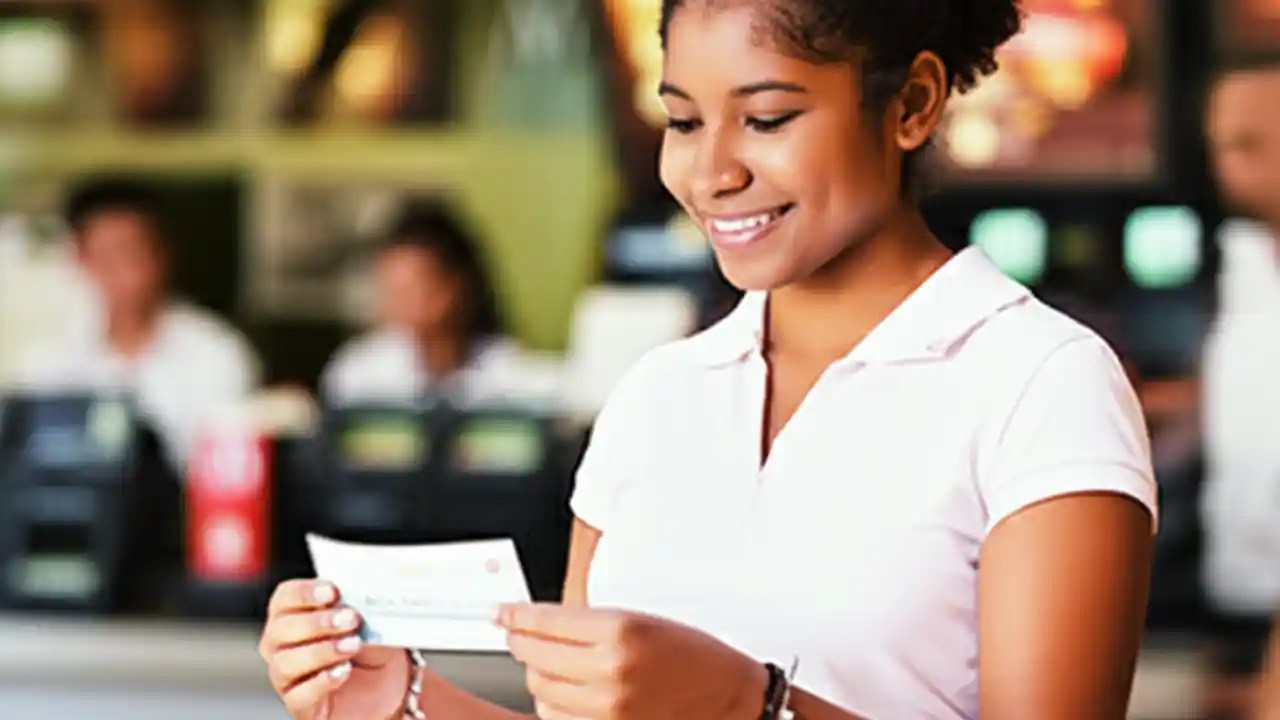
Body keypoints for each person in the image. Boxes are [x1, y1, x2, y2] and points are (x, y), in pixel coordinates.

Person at [259, 2, 1157, 718]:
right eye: (682, 121)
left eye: (767, 118)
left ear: (913, 103)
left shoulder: (1039, 383)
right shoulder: (657, 395)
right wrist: (400, 699)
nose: (711, 171)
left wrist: (744, 701)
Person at [14, 176, 259, 469]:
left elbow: (228, 472)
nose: (123, 278)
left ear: (162, 256)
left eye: (131, 255)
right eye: (104, 259)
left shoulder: (215, 354)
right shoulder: (47, 363)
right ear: (78, 259)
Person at [1201, 59, 1280, 718]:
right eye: (1220, 143)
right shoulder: (1243, 256)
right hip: (1235, 601)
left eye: (1249, 143)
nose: (1227, 163)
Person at [320, 203, 520, 407]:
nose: (398, 303)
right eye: (391, 289)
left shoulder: (514, 378)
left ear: (456, 285)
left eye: (413, 288)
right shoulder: (360, 373)